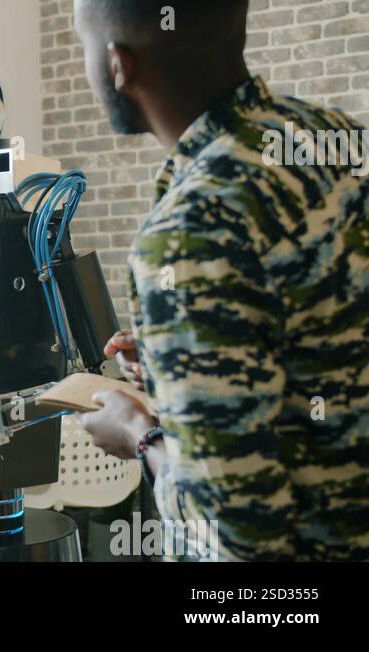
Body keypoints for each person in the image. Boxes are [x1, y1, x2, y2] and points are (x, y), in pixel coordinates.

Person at [72, 0, 368, 560]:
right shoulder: (334, 136)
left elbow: (238, 541)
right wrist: (176, 363)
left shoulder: (188, 233)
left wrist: (140, 433)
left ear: (118, 64)